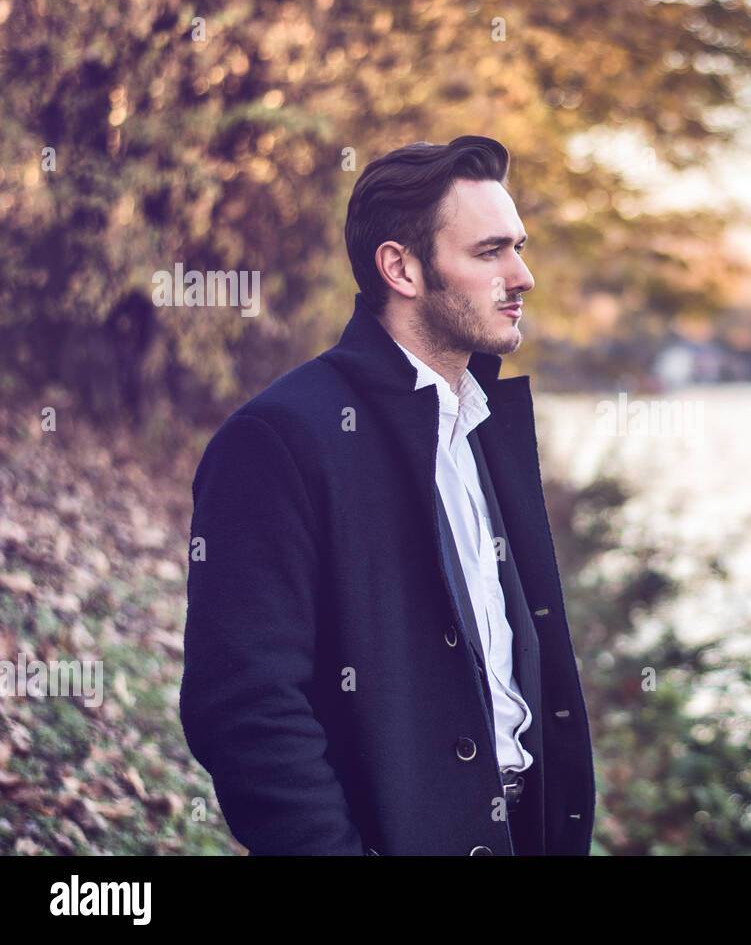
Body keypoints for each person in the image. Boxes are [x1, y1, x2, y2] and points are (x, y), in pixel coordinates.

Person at [179, 136, 595, 855]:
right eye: (490, 252)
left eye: (519, 248)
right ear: (401, 268)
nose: (522, 276)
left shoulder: (483, 424)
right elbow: (245, 707)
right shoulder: (278, 439)